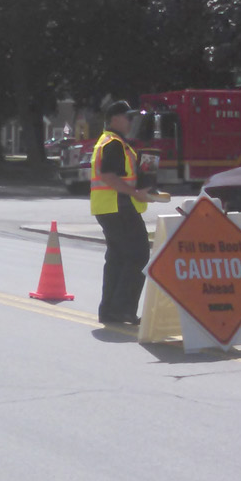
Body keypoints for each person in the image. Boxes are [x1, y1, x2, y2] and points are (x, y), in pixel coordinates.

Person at [90, 100, 157, 326]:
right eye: (128, 117)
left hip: (109, 207)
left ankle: (109, 311)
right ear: (115, 119)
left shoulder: (109, 141)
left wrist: (144, 185)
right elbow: (108, 175)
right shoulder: (114, 144)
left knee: (117, 258)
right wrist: (135, 192)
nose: (131, 121)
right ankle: (122, 310)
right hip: (119, 206)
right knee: (138, 255)